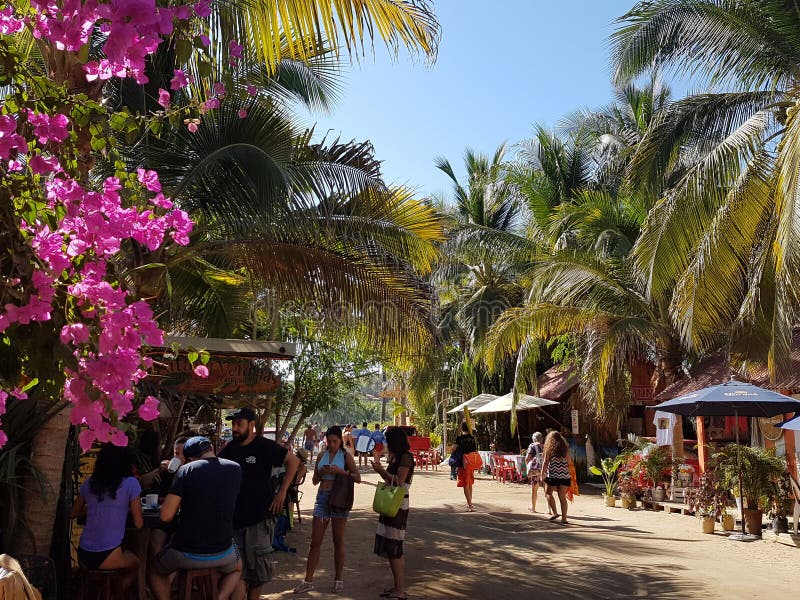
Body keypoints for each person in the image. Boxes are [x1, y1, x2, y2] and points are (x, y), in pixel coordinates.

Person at [220, 407, 299, 600]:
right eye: (233, 424)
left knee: (258, 574)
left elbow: (294, 461)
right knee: (237, 571)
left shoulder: (265, 446)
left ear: (252, 425)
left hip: (259, 519)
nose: (235, 428)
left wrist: (282, 492)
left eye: (239, 424)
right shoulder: (230, 448)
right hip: (235, 520)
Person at [149, 437, 242, 600]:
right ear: (211, 448)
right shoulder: (235, 468)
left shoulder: (186, 470)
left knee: (155, 571)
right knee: (237, 569)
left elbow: (165, 516)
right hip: (223, 552)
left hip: (186, 553)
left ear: (189, 457)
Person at [294, 426, 361, 594]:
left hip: (338, 499)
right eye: (329, 441)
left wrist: (340, 472)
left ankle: (338, 579)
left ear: (340, 441)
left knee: (338, 540)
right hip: (322, 497)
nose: (331, 444)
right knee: (315, 541)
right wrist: (321, 472)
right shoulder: (321, 455)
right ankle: (308, 580)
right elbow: (315, 481)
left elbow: (357, 477)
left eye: (335, 441)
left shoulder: (346, 456)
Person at [71, 444, 143, 593]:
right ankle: (112, 595)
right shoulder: (131, 483)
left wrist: (95, 508)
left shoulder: (89, 483)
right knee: (137, 564)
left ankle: (103, 594)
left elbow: (73, 513)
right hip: (110, 554)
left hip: (84, 554)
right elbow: (138, 523)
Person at [371, 427, 414, 600]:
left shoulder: (405, 457)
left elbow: (399, 481)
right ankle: (398, 586)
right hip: (392, 502)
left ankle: (399, 589)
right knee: (394, 545)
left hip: (397, 503)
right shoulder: (398, 456)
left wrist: (381, 471)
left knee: (394, 546)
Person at [540, 430, 572, 525]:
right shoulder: (565, 449)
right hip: (564, 476)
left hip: (553, 476)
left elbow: (545, 462)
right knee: (562, 497)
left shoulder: (549, 449)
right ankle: (564, 519)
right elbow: (569, 462)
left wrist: (542, 474)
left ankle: (555, 513)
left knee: (548, 493)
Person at [452, 422, 479, 512]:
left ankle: (470, 505)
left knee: (465, 484)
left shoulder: (459, 438)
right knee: (470, 483)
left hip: (463, 463)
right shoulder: (472, 438)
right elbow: (475, 449)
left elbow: (453, 448)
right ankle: (469, 503)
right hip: (471, 462)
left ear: (461, 428)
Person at [525, 432, 544, 513]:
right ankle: (550, 509)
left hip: (536, 471)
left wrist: (528, 467)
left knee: (534, 489)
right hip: (544, 469)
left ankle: (533, 507)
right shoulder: (545, 446)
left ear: (534, 439)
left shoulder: (532, 445)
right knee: (547, 490)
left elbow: (527, 458)